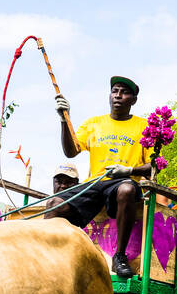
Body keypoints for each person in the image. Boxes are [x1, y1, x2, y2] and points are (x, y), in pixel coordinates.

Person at [47, 76, 151, 278]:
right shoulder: (94, 123)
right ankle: (45, 258)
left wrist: (128, 171)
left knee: (127, 189)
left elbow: (154, 167)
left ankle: (119, 256)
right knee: (54, 203)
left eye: (124, 92)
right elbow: (71, 151)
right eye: (114, 91)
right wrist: (63, 119)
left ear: (134, 100)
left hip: (122, 182)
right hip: (95, 183)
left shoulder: (144, 127)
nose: (118, 95)